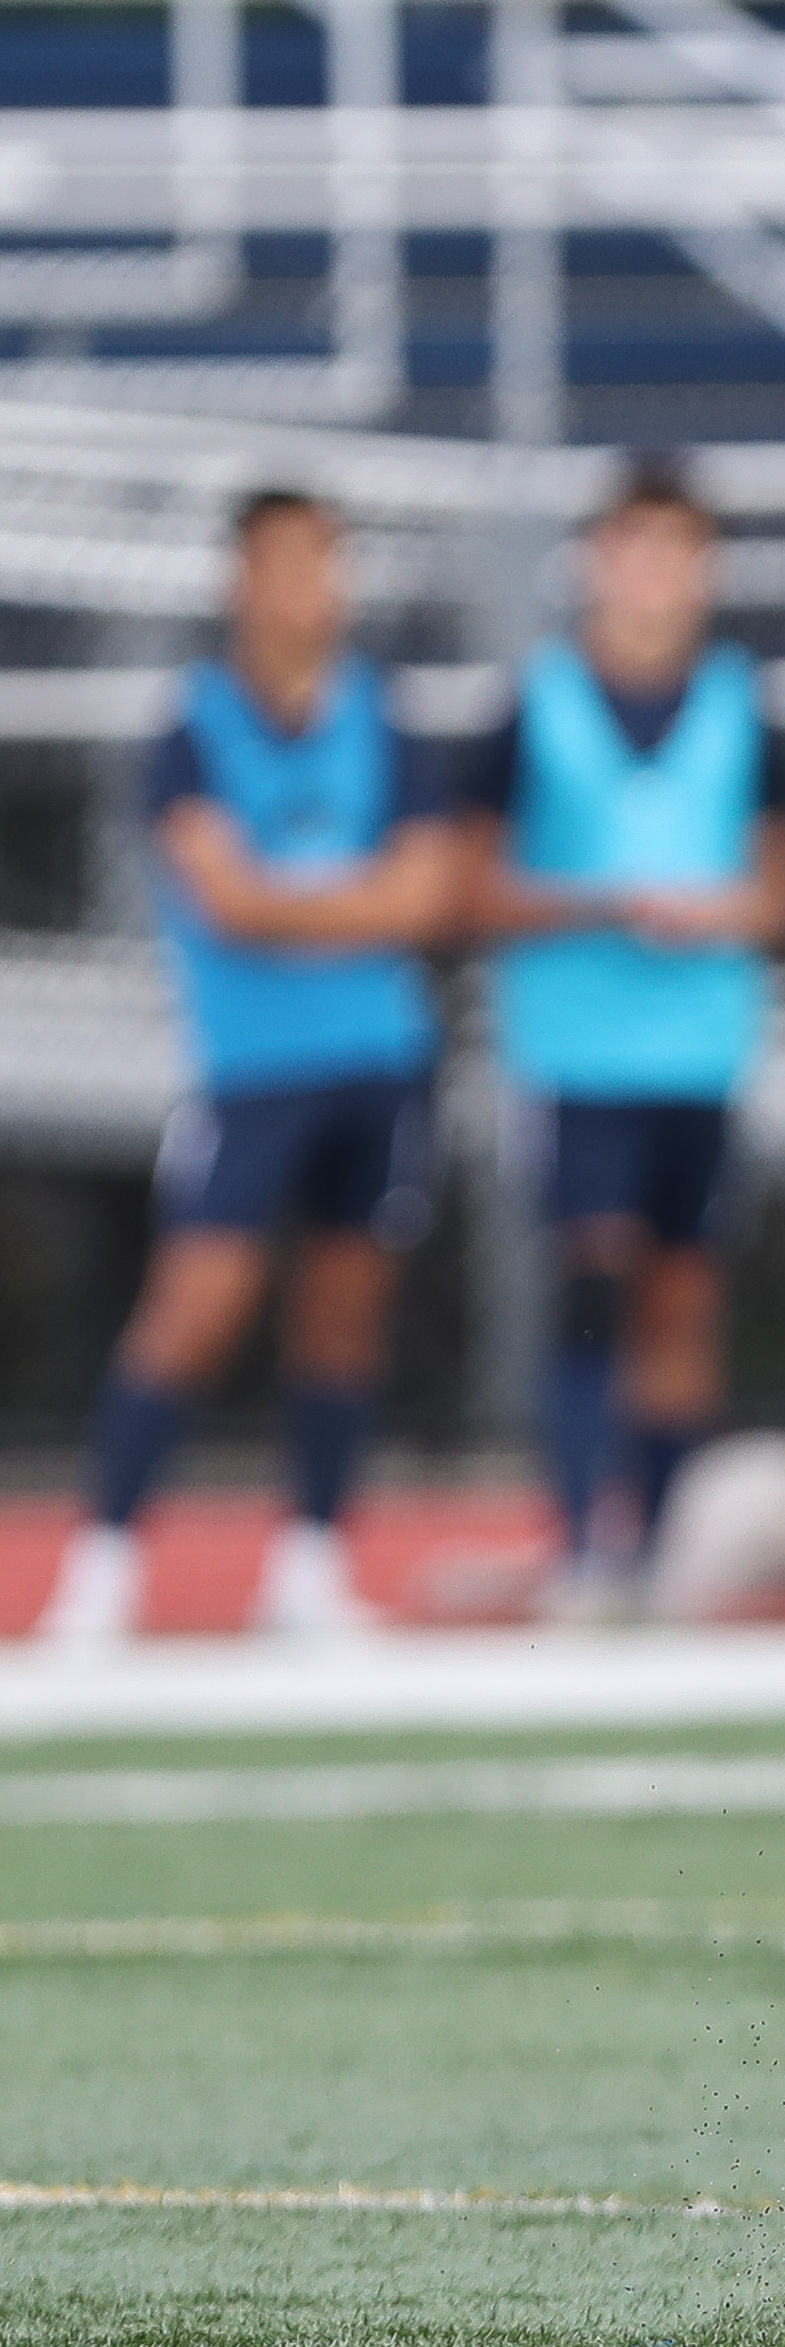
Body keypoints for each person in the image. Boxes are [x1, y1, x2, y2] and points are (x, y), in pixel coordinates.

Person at [40, 490, 455, 1647]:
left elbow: (425, 894)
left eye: (325, 566)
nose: (307, 591)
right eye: (283, 567)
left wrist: (297, 902)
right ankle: (107, 1561)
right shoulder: (194, 727)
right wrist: (350, 903)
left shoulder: (384, 713)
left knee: (344, 1314)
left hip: (379, 1062)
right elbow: (225, 900)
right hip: (252, 1071)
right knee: (194, 1309)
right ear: (241, 582)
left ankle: (313, 1566)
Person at [451, 458, 785, 1607]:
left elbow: (782, 893)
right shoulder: (535, 703)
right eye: (636, 547)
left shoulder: (743, 703)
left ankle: (651, 1550)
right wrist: (597, 904)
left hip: (699, 1053)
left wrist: (712, 914)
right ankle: (579, 1541)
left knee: (681, 1297)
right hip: (574, 1053)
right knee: (592, 1280)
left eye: (677, 551)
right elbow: (467, 888)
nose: (655, 575)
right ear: (600, 561)